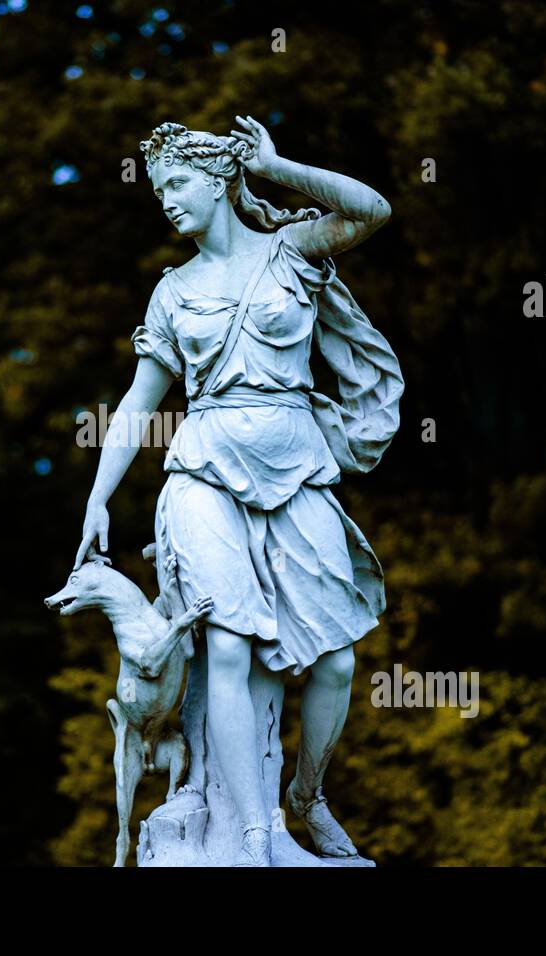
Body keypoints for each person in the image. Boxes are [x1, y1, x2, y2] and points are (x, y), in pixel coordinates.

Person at [73, 117, 402, 866]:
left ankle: (305, 797)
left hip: (297, 463)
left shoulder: (293, 250)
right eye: (158, 190)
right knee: (226, 646)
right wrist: (99, 495)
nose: (165, 201)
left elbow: (372, 210)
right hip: (203, 471)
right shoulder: (172, 291)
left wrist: (280, 166)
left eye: (178, 184)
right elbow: (137, 402)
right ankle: (253, 833)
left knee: (337, 661)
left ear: (220, 182)